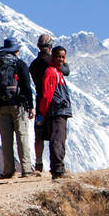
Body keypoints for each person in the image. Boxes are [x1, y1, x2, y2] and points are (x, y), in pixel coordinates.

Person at [0, 37, 35, 178]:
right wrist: (31, 106)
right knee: (22, 136)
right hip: (18, 105)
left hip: (1, 105)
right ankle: (26, 169)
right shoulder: (20, 64)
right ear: (16, 51)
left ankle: (9, 170)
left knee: (6, 139)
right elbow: (27, 87)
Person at [28, 33, 69, 174]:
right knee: (55, 136)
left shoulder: (33, 65)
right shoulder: (52, 65)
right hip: (52, 103)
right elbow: (66, 71)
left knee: (39, 134)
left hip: (40, 101)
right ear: (51, 47)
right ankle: (57, 167)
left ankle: (38, 163)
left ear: (38, 46)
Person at [37, 45, 73, 179]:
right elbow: (47, 95)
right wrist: (44, 111)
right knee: (57, 140)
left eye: (63, 57)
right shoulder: (52, 72)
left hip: (60, 111)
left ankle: (59, 168)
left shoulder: (59, 72)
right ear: (52, 57)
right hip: (56, 111)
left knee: (60, 139)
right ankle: (57, 170)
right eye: (58, 57)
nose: (61, 59)